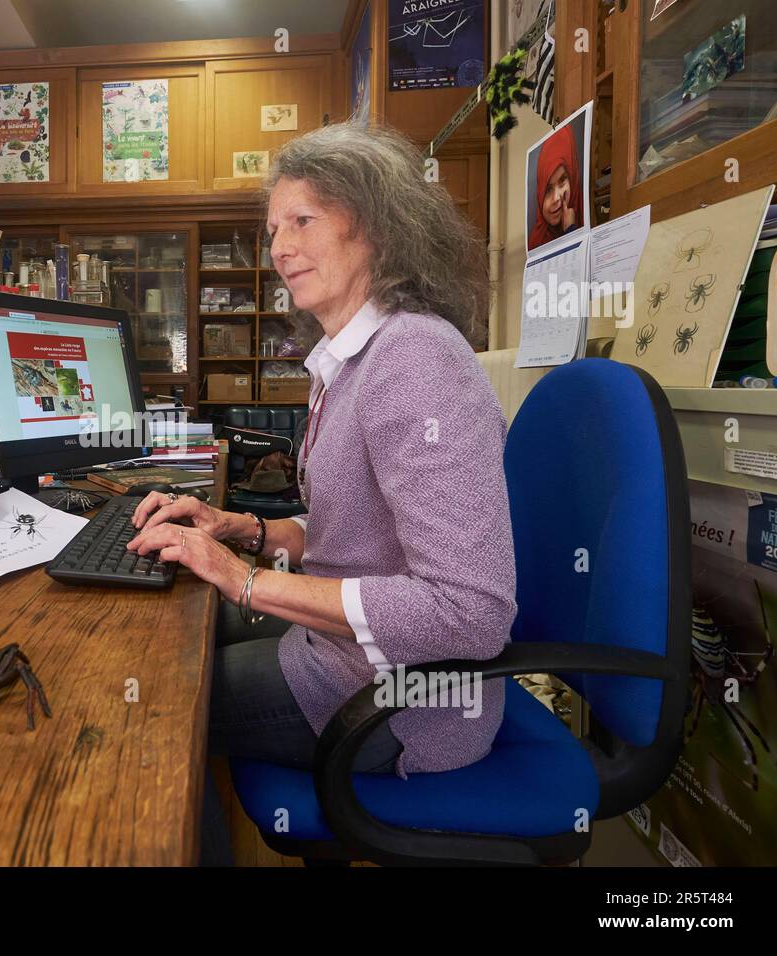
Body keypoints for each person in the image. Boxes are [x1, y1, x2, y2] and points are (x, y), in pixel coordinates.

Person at [126, 123, 517, 865]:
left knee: (156, 699)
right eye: (272, 229)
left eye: (301, 220)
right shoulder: (354, 360)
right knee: (186, 636)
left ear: (374, 225)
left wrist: (243, 579)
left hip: (405, 705)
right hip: (350, 656)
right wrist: (246, 529)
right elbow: (362, 528)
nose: (277, 247)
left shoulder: (416, 360)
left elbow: (471, 614)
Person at [528, 124, 583, 251]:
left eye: (562, 180)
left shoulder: (584, 216)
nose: (556, 198)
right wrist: (570, 230)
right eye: (547, 190)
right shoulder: (538, 240)